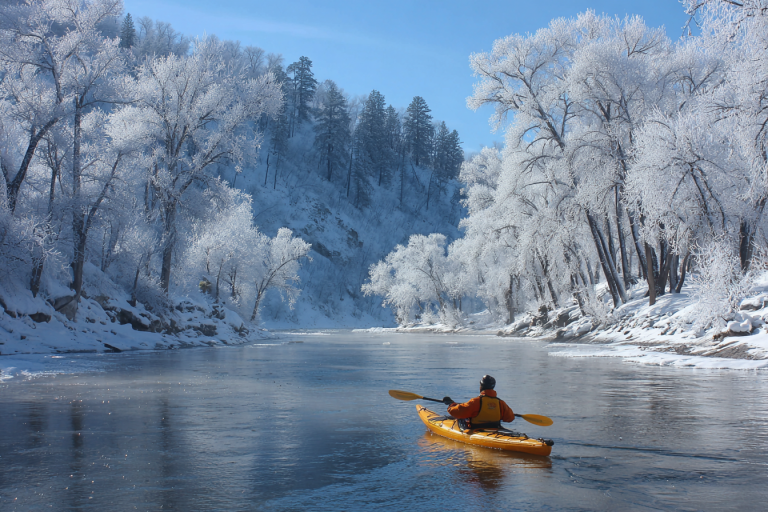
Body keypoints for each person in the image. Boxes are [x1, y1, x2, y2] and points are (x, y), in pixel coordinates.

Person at [442, 375, 515, 430]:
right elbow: (510, 418)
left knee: (461, 419)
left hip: (476, 430)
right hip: (495, 428)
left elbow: (457, 412)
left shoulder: (475, 401)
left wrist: (451, 405)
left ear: (481, 387)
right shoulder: (500, 403)